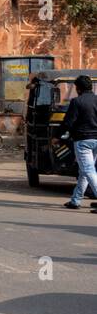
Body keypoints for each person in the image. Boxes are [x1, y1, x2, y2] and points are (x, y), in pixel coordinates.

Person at [59, 74, 97, 211]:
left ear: (78, 88)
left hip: (83, 141)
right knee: (84, 171)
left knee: (88, 170)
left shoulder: (77, 102)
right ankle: (75, 200)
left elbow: (68, 122)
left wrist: (57, 136)